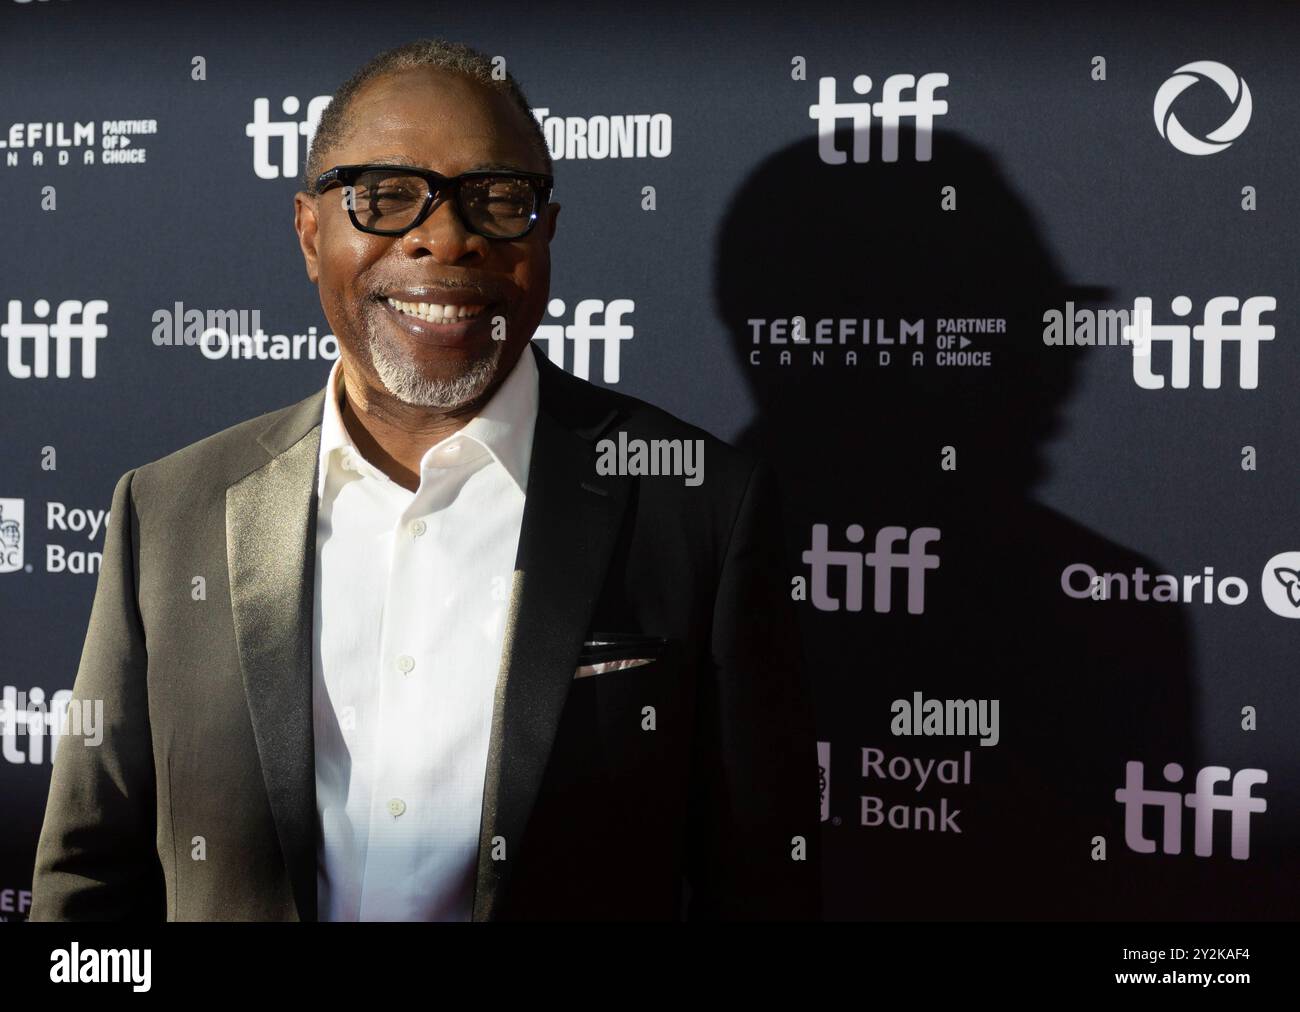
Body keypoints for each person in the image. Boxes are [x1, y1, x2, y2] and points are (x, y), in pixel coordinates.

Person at [30, 38, 820, 921]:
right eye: (388, 196)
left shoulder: (701, 505)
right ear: (308, 231)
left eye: (498, 199)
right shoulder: (167, 512)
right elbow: (89, 883)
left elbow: (761, 889)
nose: (445, 236)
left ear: (546, 232)